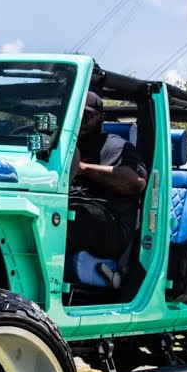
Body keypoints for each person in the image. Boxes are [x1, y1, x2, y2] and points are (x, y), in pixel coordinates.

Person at [66, 92, 147, 259]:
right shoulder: (65, 144)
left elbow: (135, 183)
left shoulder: (115, 146)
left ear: (101, 118)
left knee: (58, 220)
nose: (81, 121)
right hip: (72, 209)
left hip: (110, 226)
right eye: (77, 114)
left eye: (87, 115)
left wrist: (82, 168)